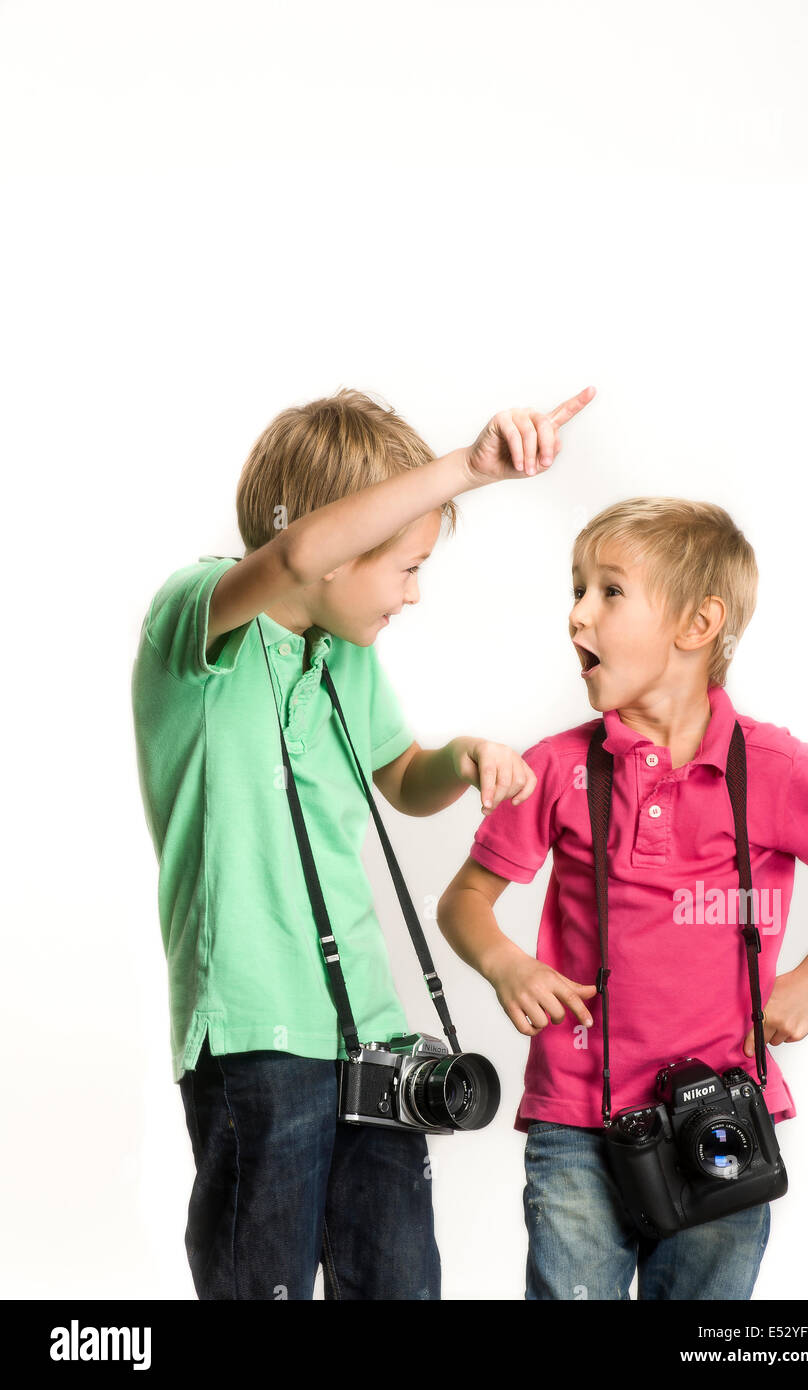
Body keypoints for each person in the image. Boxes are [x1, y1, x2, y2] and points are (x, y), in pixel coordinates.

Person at [131, 383, 596, 1300]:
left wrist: (459, 759)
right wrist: (468, 466)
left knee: (399, 1281)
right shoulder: (196, 625)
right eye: (405, 566)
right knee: (256, 1281)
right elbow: (299, 551)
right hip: (256, 1031)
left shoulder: (346, 653)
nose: (415, 594)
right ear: (332, 555)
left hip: (370, 1032)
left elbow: (400, 779)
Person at [437, 496, 808, 1300]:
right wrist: (504, 964)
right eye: (574, 590)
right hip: (574, 1117)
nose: (574, 616)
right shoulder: (557, 767)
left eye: (606, 591)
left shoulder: (770, 767)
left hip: (722, 1116)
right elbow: (464, 898)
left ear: (697, 625)